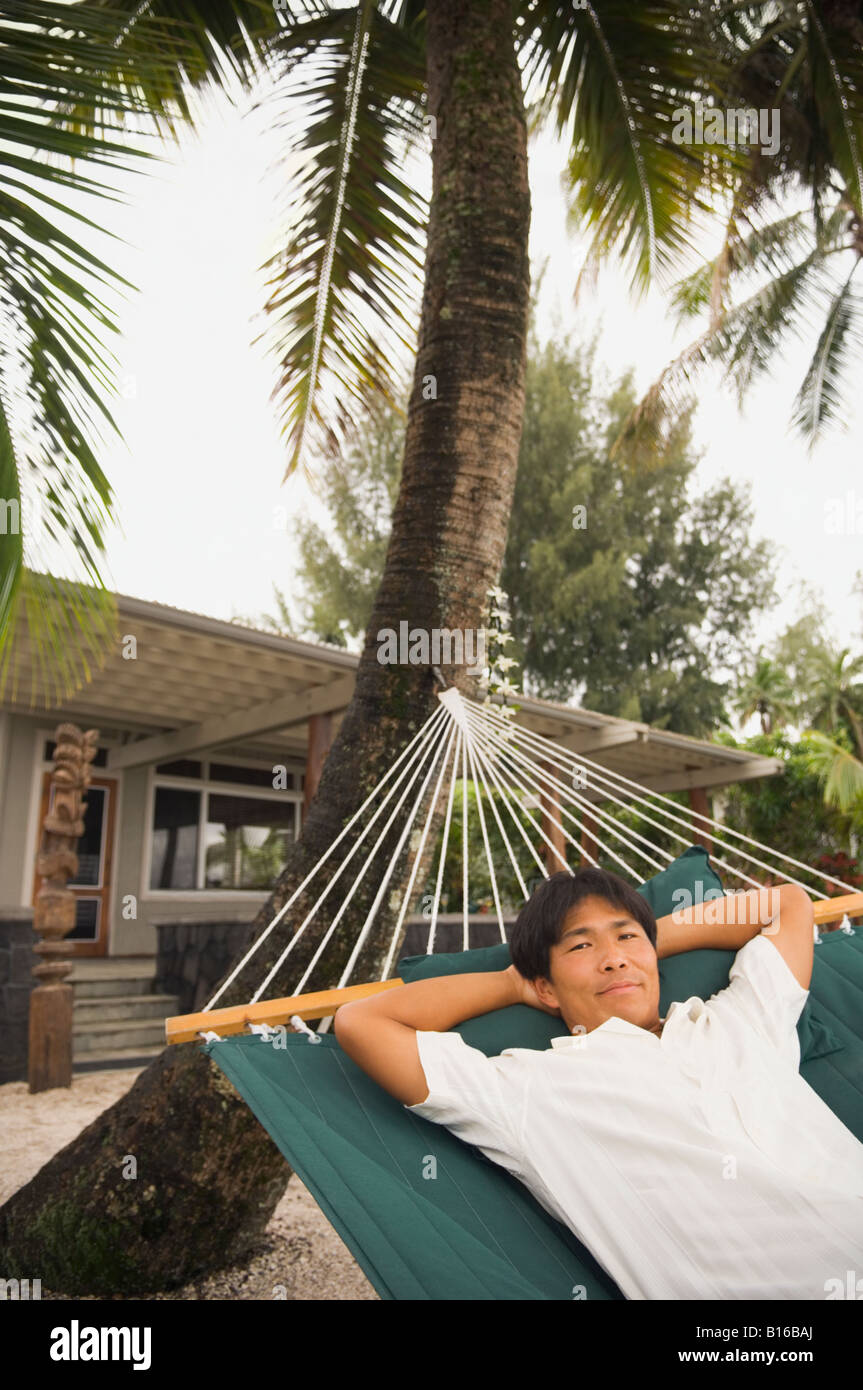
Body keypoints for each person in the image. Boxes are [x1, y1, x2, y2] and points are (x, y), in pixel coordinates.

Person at [334, 867, 863, 1300]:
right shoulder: (530, 1090)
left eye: (625, 937)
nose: (612, 957)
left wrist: (641, 943)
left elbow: (787, 905)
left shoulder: (739, 1018)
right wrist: (513, 983)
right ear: (546, 987)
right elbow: (362, 1023)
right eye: (580, 948)